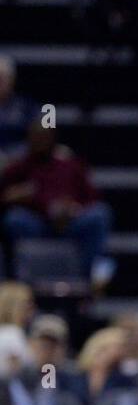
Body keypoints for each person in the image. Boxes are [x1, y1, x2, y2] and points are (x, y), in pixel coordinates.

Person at [0, 122, 113, 285]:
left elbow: (93, 197)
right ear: (29, 140)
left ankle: (85, 280)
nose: (39, 141)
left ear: (53, 139)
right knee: (14, 219)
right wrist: (11, 197)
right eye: (35, 138)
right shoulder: (17, 168)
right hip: (36, 224)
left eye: (43, 137)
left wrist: (75, 208)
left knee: (100, 214)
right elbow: (4, 198)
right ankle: (21, 281)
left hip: (70, 223)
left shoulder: (71, 165)